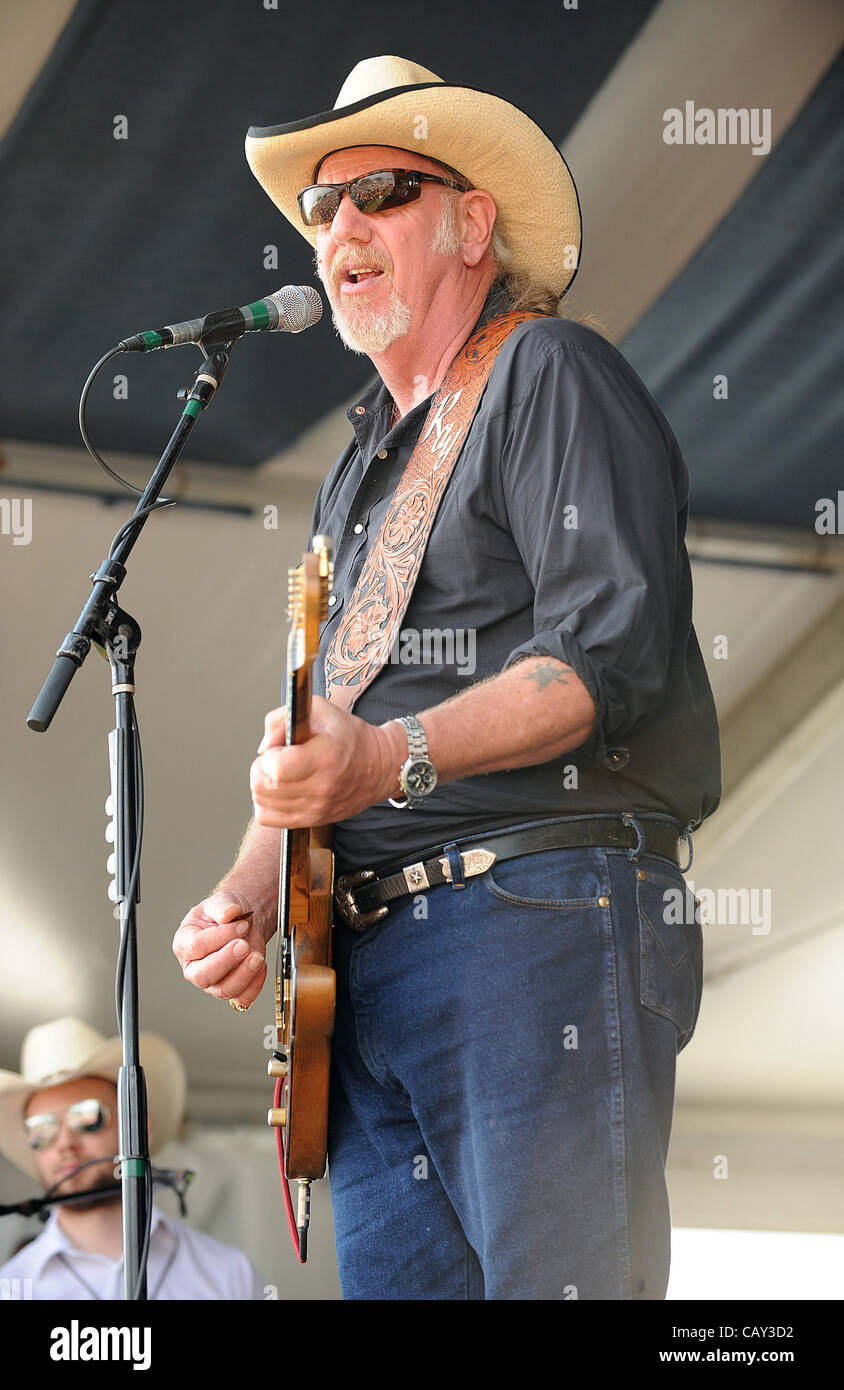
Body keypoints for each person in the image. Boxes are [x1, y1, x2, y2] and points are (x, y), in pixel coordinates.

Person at [172, 55, 721, 1300]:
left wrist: (392, 759)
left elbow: (605, 659)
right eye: (322, 209)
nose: (340, 228)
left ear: (474, 223)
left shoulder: (550, 373)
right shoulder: (355, 470)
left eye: (381, 192)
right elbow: (325, 734)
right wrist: (249, 891)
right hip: (365, 963)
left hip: (537, 917)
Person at [0, 1017, 265, 1299]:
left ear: (139, 1129)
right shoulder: (11, 1288)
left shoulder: (228, 1275)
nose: (65, 1143)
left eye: (87, 1117)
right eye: (42, 1129)